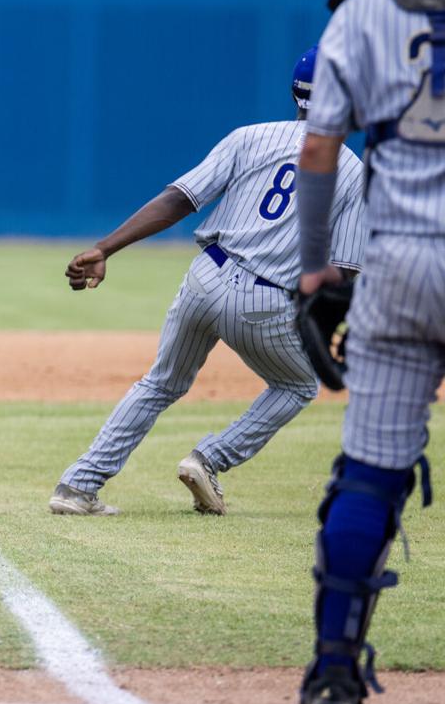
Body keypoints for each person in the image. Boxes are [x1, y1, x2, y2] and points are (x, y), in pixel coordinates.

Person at [49, 48, 367, 517]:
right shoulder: (352, 171)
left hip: (205, 275)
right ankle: (208, 459)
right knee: (298, 385)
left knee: (160, 383)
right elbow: (346, 270)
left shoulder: (250, 137)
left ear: (296, 94)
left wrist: (106, 248)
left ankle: (77, 486)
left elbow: (179, 199)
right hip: (264, 298)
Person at [296, 0, 445, 704]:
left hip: (394, 258)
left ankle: (332, 676)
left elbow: (320, 145)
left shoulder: (366, 5)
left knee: (370, 476)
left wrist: (318, 264)